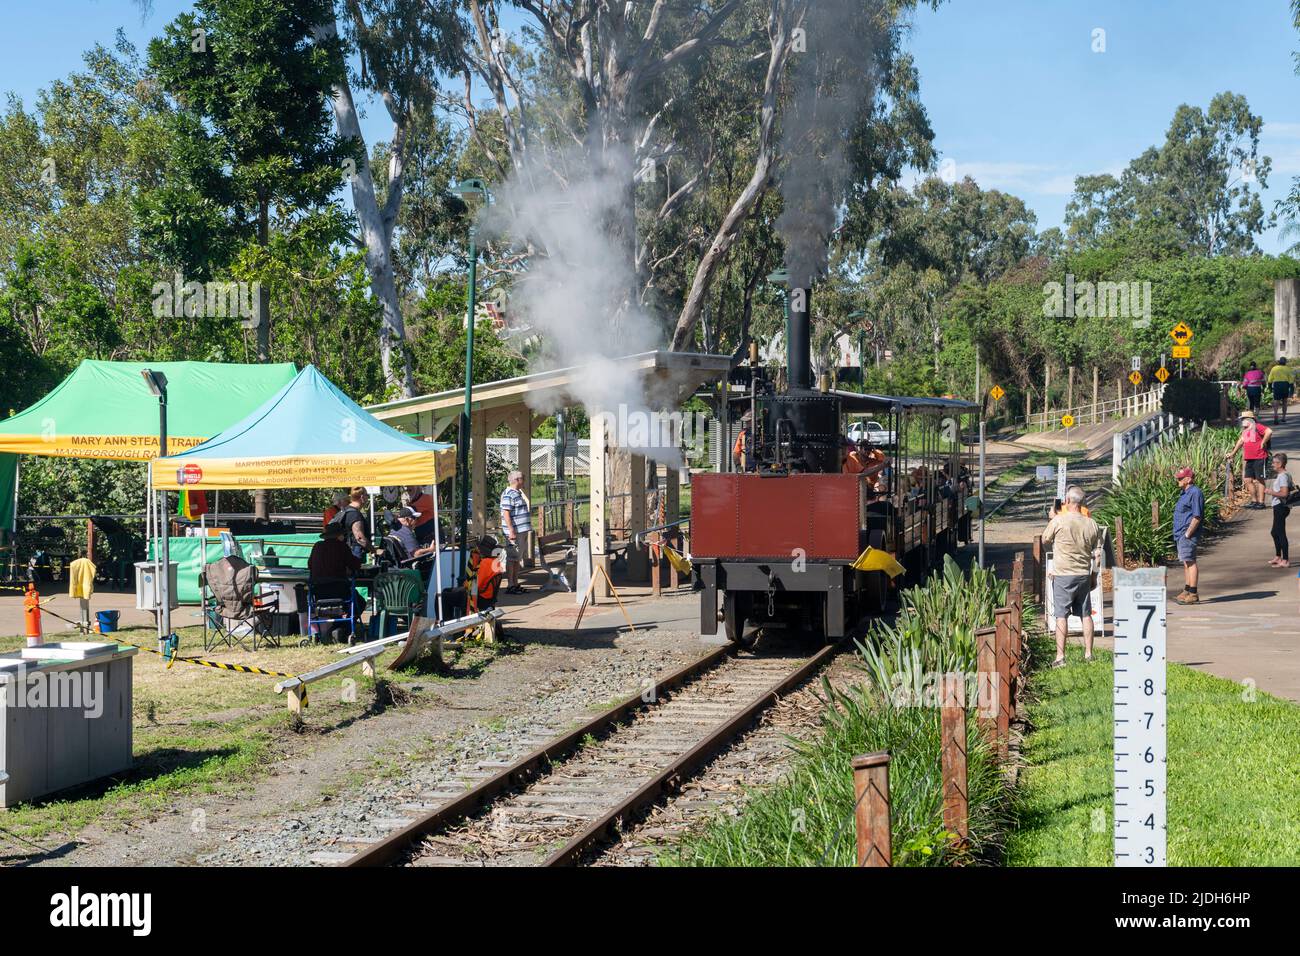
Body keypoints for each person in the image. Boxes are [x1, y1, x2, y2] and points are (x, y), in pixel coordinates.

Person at [1041, 485, 1101, 666]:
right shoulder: (1091, 523)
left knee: (1061, 615)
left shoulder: (1058, 521)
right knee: (1086, 614)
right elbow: (1098, 555)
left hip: (1063, 574)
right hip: (1083, 574)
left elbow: (1045, 540)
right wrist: (1093, 576)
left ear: (1067, 502)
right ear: (1083, 503)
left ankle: (1060, 657)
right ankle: (1089, 654)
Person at [308, 524, 363, 641]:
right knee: (360, 602)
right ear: (339, 535)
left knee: (344, 601)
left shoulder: (317, 546)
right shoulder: (341, 547)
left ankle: (337, 628)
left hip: (319, 592)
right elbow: (355, 565)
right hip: (339, 591)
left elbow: (309, 565)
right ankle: (343, 627)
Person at [1226, 411, 1272, 509]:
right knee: (1247, 480)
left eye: (1243, 419)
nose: (1242, 421)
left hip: (1260, 457)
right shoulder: (1245, 430)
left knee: (1260, 479)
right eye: (1242, 419)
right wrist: (1233, 453)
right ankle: (1254, 501)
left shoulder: (1258, 426)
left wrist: (1263, 442)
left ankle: (1261, 502)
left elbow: (1269, 431)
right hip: (1249, 458)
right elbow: (1241, 441)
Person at [1173, 466, 1205, 604]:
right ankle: (1187, 589)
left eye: (1180, 478)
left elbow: (1197, 516)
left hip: (1187, 533)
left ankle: (1193, 593)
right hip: (1180, 533)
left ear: (1188, 479)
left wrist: (1188, 534)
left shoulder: (1195, 492)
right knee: (1186, 562)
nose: (1178, 480)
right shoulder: (1184, 492)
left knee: (1191, 562)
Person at [499, 469, 531, 594]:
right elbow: (506, 513)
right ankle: (510, 584)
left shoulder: (518, 493)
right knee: (512, 558)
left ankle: (516, 583)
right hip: (515, 532)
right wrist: (511, 530)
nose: (524, 481)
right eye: (523, 478)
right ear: (517, 480)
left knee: (517, 558)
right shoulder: (509, 494)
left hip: (521, 531)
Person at [1267, 453, 1294, 568]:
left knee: (1280, 533)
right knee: (1274, 532)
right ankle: (1278, 556)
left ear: (1280, 464)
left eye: (1274, 462)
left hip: (1281, 507)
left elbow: (1284, 493)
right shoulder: (1283, 475)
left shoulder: (1283, 476)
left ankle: (1285, 560)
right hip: (1279, 507)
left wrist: (1270, 492)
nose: (1272, 465)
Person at [333, 487, 373, 560]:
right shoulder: (354, 514)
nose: (368, 498)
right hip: (354, 552)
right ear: (362, 497)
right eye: (367, 495)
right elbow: (360, 538)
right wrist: (374, 550)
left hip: (344, 550)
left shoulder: (345, 510)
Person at [1267, 357, 1293, 424]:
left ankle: (1275, 415)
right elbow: (1291, 381)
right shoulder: (1288, 369)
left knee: (1276, 401)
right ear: (1285, 362)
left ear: (1279, 362)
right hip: (1285, 385)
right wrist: (1291, 392)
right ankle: (1283, 417)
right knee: (1284, 402)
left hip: (1277, 385)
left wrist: (1270, 388)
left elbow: (1269, 380)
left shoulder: (1274, 368)